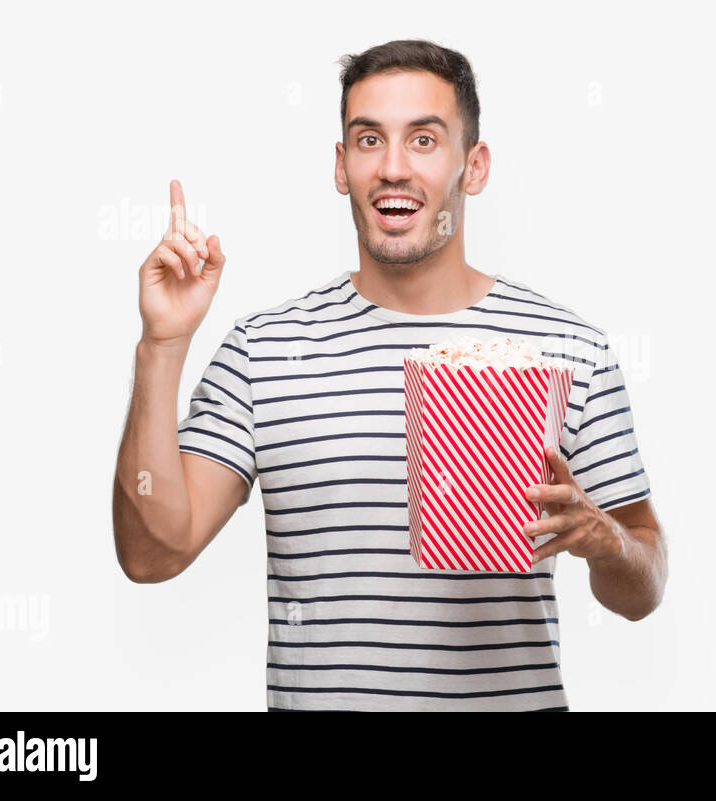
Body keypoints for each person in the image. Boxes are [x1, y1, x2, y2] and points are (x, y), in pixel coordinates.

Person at [111, 39, 666, 711]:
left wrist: (604, 539)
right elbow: (151, 555)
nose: (393, 168)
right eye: (369, 139)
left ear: (475, 165)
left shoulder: (568, 348)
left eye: (425, 140)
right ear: (342, 166)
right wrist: (162, 344)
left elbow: (644, 585)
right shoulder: (265, 349)